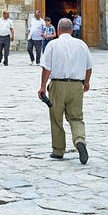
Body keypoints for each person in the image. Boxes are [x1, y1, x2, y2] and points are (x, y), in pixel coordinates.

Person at [38, 17, 92, 163]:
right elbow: (89, 67)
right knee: (76, 117)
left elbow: (46, 67)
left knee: (56, 118)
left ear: (58, 29)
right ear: (72, 29)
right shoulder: (82, 44)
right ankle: (80, 140)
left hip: (58, 85)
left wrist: (43, 86)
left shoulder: (53, 44)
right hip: (76, 86)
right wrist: (86, 83)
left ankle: (58, 150)